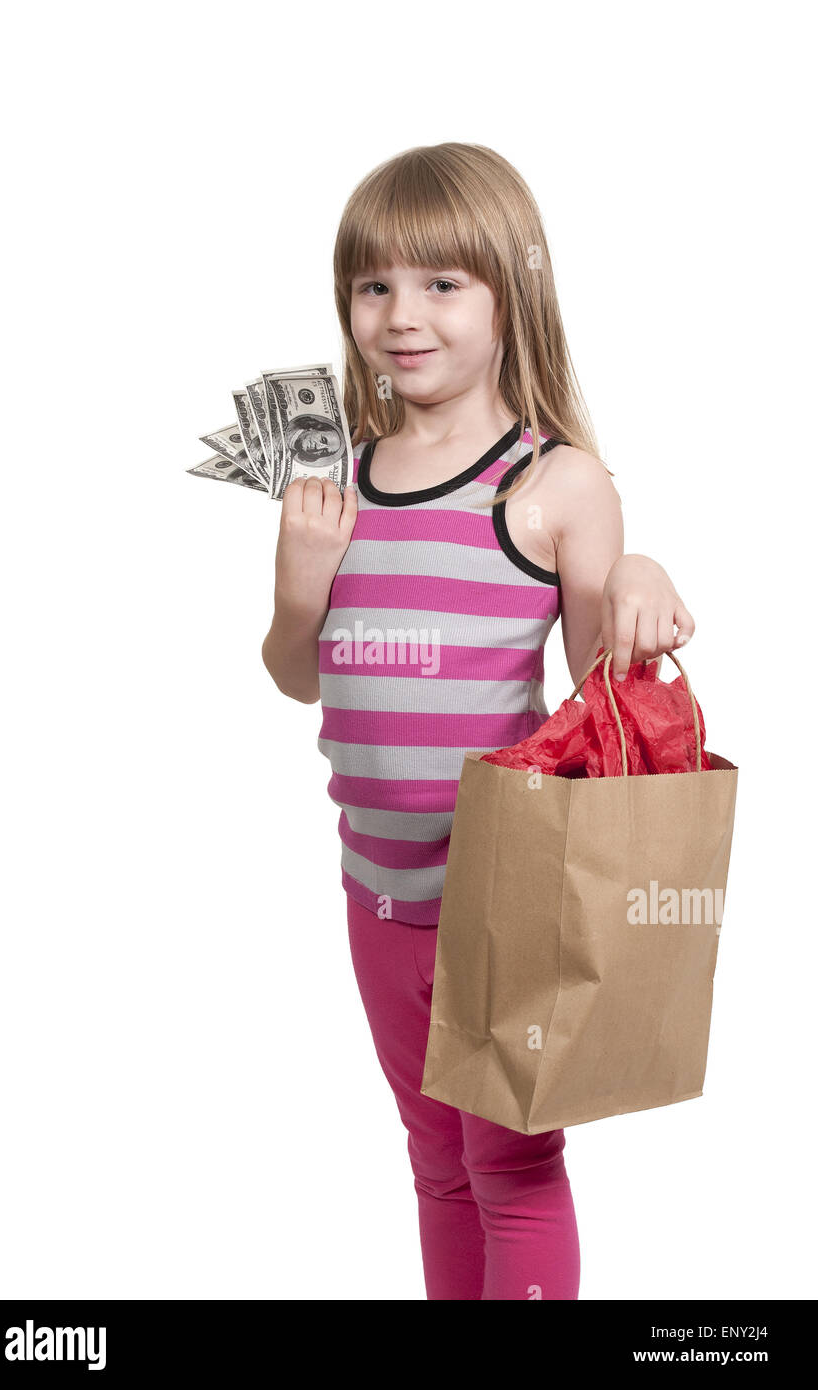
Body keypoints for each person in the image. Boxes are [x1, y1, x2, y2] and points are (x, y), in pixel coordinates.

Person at [261, 142, 694, 1300]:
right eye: (373, 286)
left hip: (496, 896)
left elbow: (603, 681)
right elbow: (297, 676)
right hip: (374, 894)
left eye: (441, 284)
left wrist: (640, 567)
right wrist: (300, 583)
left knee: (507, 1162)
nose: (400, 316)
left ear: (512, 289)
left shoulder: (550, 483)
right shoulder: (333, 481)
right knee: (433, 1159)